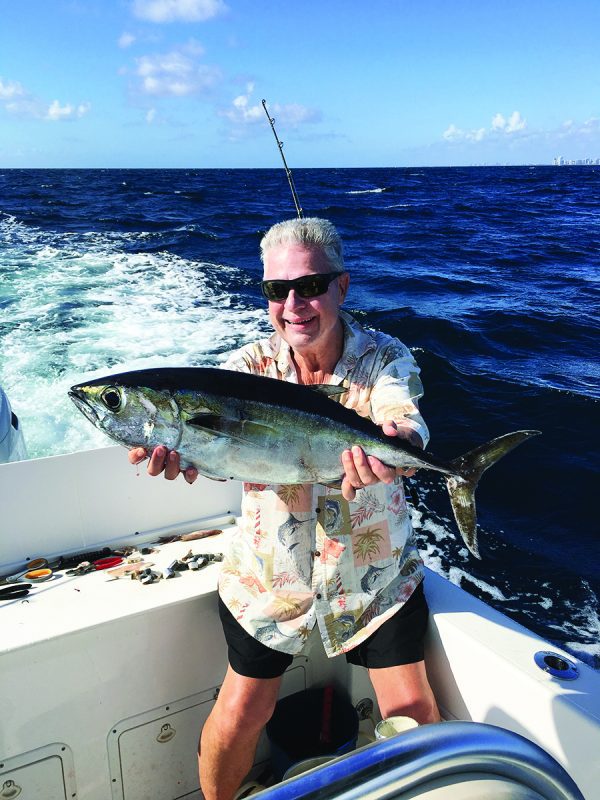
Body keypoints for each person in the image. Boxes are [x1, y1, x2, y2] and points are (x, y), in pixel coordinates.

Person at [129, 218, 440, 800]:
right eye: (277, 290)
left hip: (373, 576)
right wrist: (182, 457)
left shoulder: (383, 358)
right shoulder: (242, 371)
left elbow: (401, 409)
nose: (294, 304)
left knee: (415, 711)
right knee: (244, 708)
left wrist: (400, 441)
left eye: (311, 285)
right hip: (273, 577)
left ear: (342, 287)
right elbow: (212, 453)